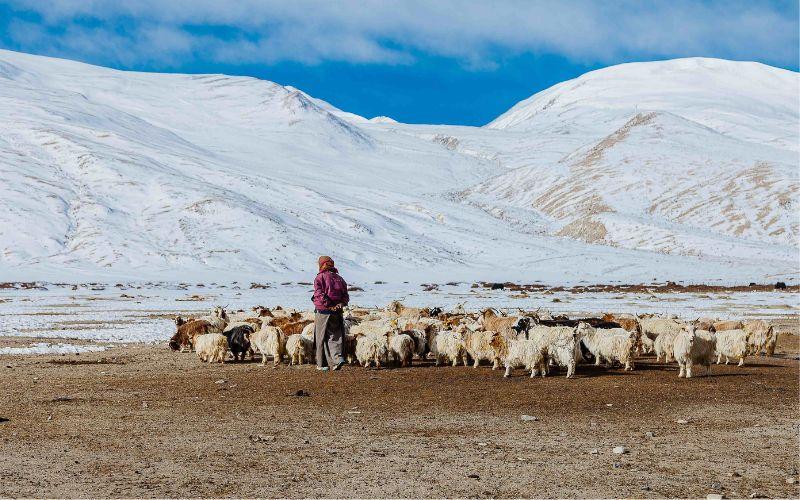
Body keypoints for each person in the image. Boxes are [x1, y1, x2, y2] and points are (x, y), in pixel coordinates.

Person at [312, 255, 349, 371]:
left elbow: (319, 293)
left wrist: (329, 305)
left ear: (322, 265)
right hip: (337, 312)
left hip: (323, 311)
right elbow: (345, 296)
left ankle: (322, 364)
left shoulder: (320, 277)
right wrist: (340, 304)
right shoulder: (340, 279)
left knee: (320, 336)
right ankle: (338, 359)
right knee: (335, 335)